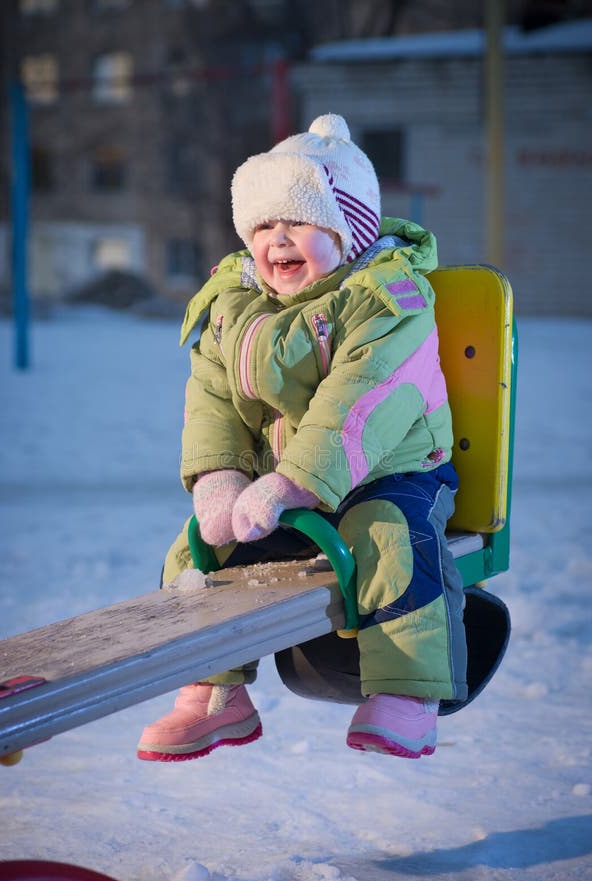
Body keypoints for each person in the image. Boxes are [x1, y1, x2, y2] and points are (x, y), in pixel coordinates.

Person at [137, 113, 467, 763]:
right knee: (197, 550)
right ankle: (213, 693)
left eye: (299, 222)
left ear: (351, 231)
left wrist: (292, 483)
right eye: (261, 225)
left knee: (387, 538)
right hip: (281, 487)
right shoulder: (234, 305)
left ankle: (407, 695)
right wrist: (221, 480)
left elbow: (364, 399)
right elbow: (211, 397)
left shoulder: (388, 297)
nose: (277, 238)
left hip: (389, 470)